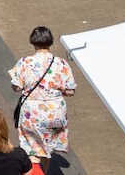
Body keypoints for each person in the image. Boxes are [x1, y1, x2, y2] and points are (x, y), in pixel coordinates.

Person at [9, 26, 77, 173]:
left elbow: (16, 87)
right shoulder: (61, 63)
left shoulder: (25, 62)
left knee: (32, 148)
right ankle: (43, 172)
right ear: (50, 41)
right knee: (46, 150)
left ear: (33, 41)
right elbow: (71, 91)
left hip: (32, 113)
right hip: (55, 113)